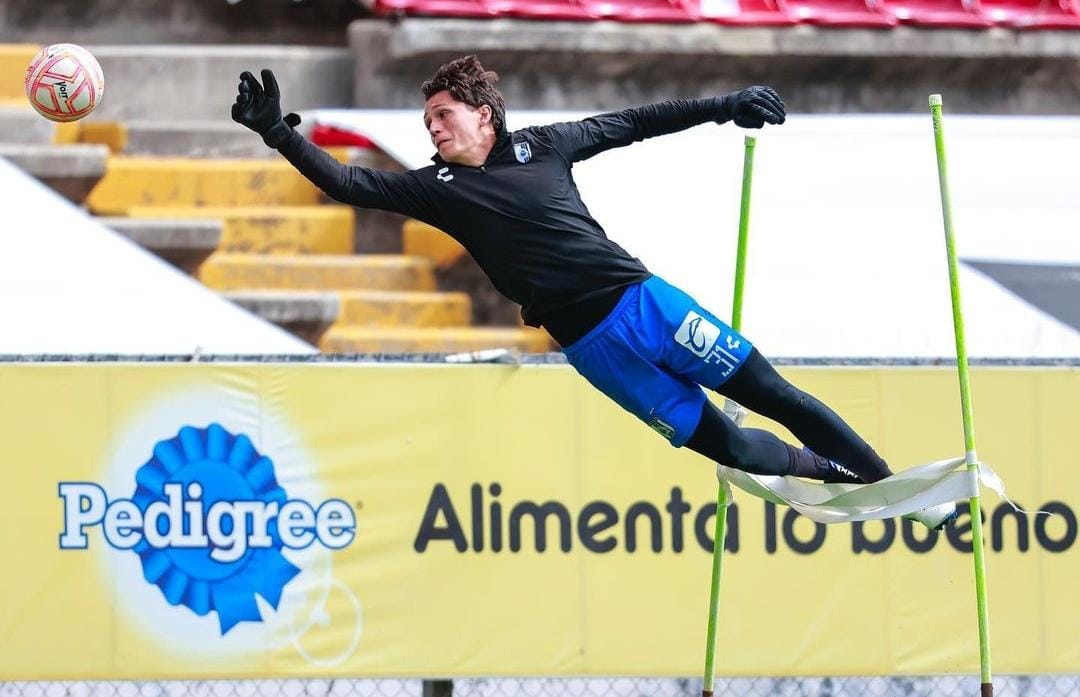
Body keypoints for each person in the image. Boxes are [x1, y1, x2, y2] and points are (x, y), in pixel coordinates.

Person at [232, 56, 957, 530]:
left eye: (443, 115)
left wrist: (724, 104)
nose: (432, 128)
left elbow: (636, 123)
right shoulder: (438, 188)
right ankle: (833, 475)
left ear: (484, 114)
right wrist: (278, 134)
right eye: (428, 120)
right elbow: (347, 183)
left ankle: (887, 483)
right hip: (592, 348)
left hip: (648, 306)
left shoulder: (547, 145)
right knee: (731, 447)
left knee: (776, 395)